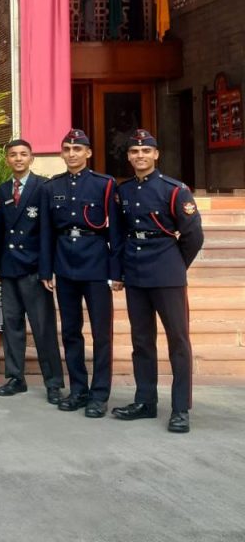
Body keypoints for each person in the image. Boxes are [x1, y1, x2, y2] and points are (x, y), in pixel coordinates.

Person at [111, 129, 204, 433]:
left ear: (156, 154)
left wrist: (176, 264)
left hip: (166, 271)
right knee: (141, 341)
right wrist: (119, 272)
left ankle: (180, 409)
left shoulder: (174, 190)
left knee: (178, 341)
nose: (140, 156)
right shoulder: (124, 191)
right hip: (135, 272)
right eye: (134, 152)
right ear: (129, 157)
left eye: (146, 151)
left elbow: (193, 235)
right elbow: (120, 234)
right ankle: (145, 401)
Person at [40, 128, 122, 418]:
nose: (72, 154)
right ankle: (78, 390)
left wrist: (116, 271)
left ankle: (99, 394)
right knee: (71, 331)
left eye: (77, 149)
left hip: (97, 264)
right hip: (65, 264)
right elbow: (47, 232)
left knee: (101, 333)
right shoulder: (52, 187)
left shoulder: (105, 184)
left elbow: (115, 232)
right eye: (67, 149)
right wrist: (46, 269)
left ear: (88, 152)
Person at [0, 140, 64, 404]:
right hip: (9, 269)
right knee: (12, 326)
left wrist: (47, 270)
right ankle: (15, 377)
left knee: (43, 328)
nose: (18, 159)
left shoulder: (44, 187)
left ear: (32, 158)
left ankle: (53, 383)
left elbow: (49, 232)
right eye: (13, 155)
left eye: (23, 154)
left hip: (34, 269)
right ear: (7, 159)